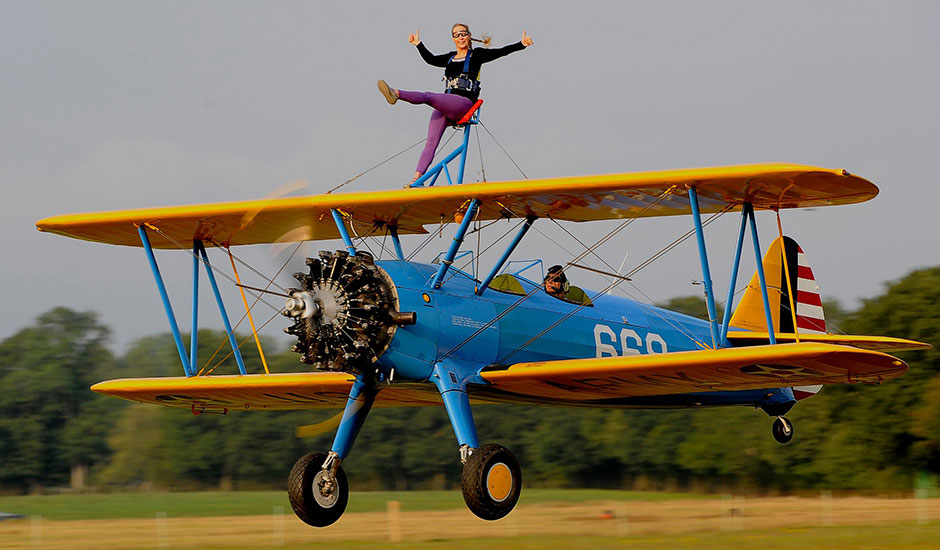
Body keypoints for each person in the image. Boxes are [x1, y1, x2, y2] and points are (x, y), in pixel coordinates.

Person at [378, 23, 533, 184]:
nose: (460, 37)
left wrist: (521, 44)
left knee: (428, 96)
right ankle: (416, 180)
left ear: (469, 36)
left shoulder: (476, 55)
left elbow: (501, 52)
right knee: (431, 142)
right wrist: (418, 44)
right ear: (453, 39)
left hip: (463, 104)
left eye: (463, 34)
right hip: (446, 103)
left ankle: (396, 93)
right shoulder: (450, 58)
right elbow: (431, 59)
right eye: (456, 35)